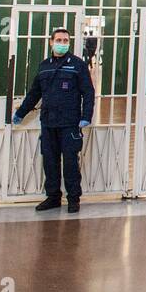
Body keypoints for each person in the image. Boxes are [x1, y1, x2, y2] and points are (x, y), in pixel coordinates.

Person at [12, 27, 95, 213]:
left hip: (69, 123)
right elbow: (35, 93)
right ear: (51, 42)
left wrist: (85, 116)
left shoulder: (77, 65)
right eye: (59, 40)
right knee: (50, 161)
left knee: (70, 163)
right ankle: (53, 197)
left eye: (66, 41)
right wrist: (21, 113)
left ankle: (73, 199)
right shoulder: (44, 66)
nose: (62, 43)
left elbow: (88, 92)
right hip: (48, 122)